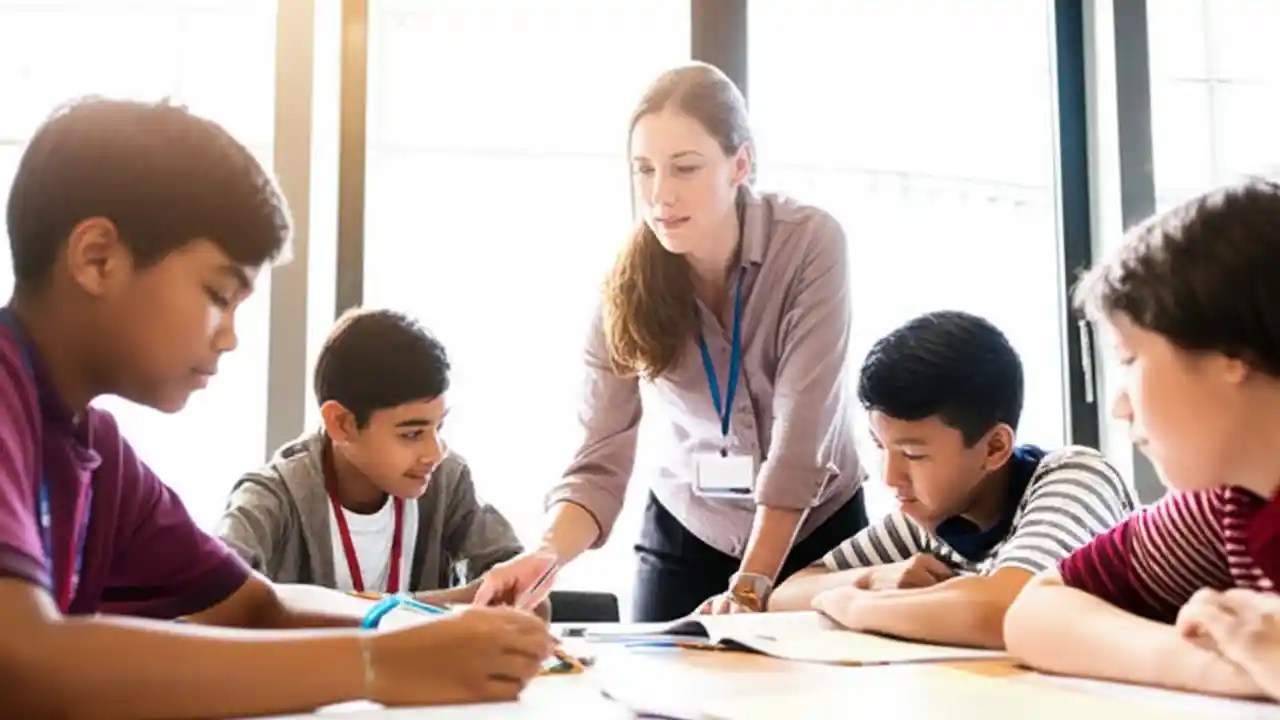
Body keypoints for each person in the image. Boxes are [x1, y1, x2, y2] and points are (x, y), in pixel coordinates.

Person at [0, 98, 550, 718]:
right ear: (97, 259)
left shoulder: (98, 452)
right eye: (218, 294)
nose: (230, 336)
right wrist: (378, 665)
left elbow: (258, 607)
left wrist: (425, 633)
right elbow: (20, 661)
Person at [475, 62, 868, 621]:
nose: (660, 195)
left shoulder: (809, 244)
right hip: (690, 525)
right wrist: (544, 556)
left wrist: (752, 586)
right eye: (644, 170)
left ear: (741, 165)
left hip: (814, 529)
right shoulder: (624, 285)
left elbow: (804, 433)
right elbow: (598, 459)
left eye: (684, 168)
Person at [1004, 179, 1280, 700]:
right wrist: (1233, 669)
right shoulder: (1231, 502)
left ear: (1231, 353)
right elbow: (1036, 611)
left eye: (1129, 360)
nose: (1119, 405)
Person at [769, 311, 1134, 649]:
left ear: (994, 447)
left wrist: (856, 605)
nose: (890, 477)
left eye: (913, 455)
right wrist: (874, 579)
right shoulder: (931, 517)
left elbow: (1008, 609)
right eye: (881, 447)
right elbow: (787, 594)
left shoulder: (1075, 478)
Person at [218, 308, 546, 617]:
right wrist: (455, 601)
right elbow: (214, 599)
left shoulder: (446, 480)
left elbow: (532, 600)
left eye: (439, 427)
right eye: (412, 434)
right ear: (342, 424)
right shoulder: (272, 496)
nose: (435, 452)